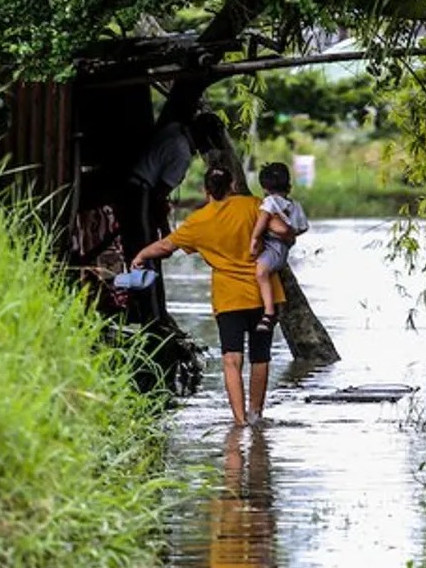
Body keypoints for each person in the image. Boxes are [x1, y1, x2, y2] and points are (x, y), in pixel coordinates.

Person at [131, 165, 283, 427]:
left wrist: (141, 255)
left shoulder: (198, 221)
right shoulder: (253, 205)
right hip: (264, 293)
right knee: (261, 357)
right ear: (233, 185)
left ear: (205, 190)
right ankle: (256, 414)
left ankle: (239, 421)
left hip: (229, 298)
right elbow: (280, 228)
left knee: (231, 358)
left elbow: (167, 246)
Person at [116, 113, 227, 324]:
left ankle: (137, 309)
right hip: (139, 193)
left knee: (136, 252)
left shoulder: (174, 127)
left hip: (132, 188)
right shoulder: (182, 154)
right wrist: (166, 234)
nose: (205, 150)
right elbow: (158, 198)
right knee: (145, 254)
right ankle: (150, 317)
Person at [249, 162, 309, 332]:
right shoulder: (295, 205)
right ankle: (269, 311)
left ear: (265, 187)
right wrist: (290, 234)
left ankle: (268, 312)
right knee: (263, 272)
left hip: (273, 246)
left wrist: (254, 238)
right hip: (283, 248)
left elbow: (263, 219)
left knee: (261, 272)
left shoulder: (270, 201)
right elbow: (303, 227)